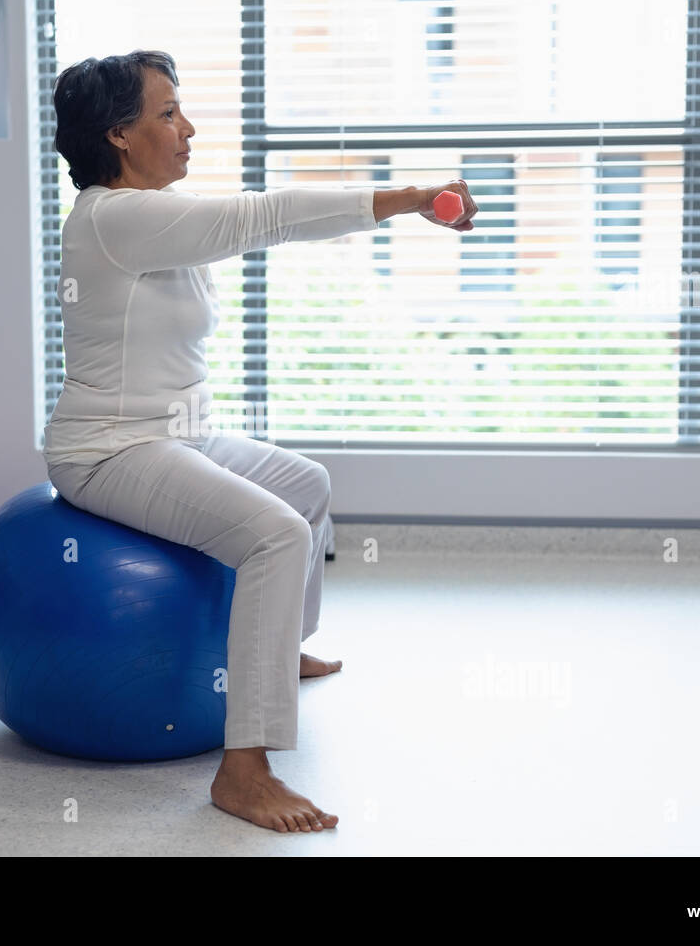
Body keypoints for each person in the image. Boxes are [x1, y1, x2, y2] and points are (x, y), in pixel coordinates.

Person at [44, 49, 477, 833]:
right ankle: (244, 770)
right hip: (108, 450)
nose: (188, 128)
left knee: (305, 484)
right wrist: (410, 198)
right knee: (275, 534)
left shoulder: (148, 218)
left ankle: (280, 653)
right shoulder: (115, 218)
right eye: (167, 113)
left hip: (178, 435)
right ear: (117, 135)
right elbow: (265, 216)